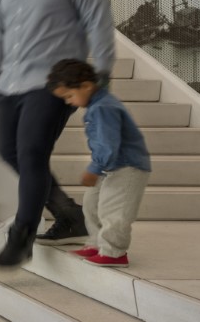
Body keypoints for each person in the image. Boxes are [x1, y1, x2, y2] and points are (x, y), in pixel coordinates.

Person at [0, 0, 115, 268]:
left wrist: (101, 75)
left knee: (32, 152)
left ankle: (21, 237)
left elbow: (99, 23)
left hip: (54, 83)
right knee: (9, 152)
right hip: (9, 83)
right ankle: (69, 214)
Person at [48, 59, 151, 267]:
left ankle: (114, 252)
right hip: (110, 166)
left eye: (69, 96)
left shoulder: (104, 108)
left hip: (127, 167)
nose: (68, 102)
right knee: (91, 204)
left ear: (86, 86)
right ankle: (96, 243)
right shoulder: (96, 106)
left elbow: (108, 145)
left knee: (113, 210)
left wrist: (94, 169)